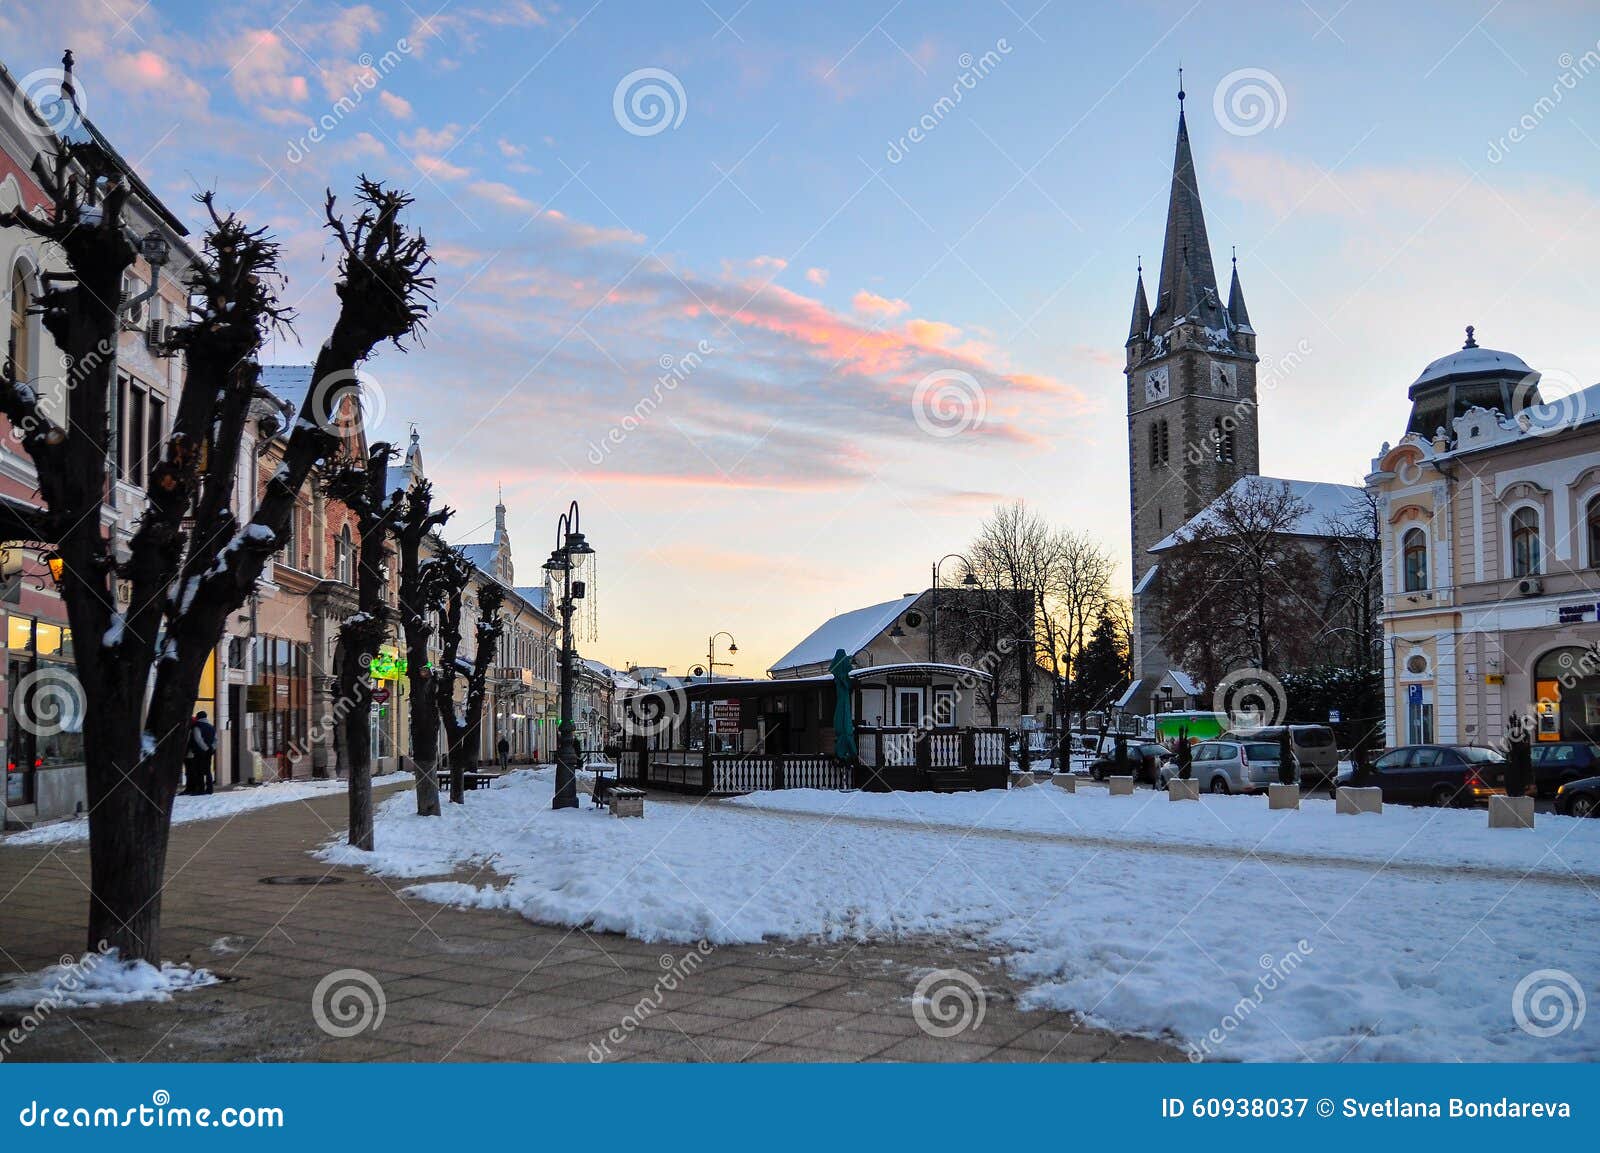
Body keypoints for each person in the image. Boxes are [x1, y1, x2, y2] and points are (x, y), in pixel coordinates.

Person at [187, 711, 217, 795]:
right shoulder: (211, 727)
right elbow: (216, 740)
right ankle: (210, 789)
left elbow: (198, 739)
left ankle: (200, 789)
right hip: (209, 752)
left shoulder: (197, 726)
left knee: (198, 770)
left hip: (199, 751)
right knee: (207, 770)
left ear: (198, 717)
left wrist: (205, 748)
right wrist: (211, 748)